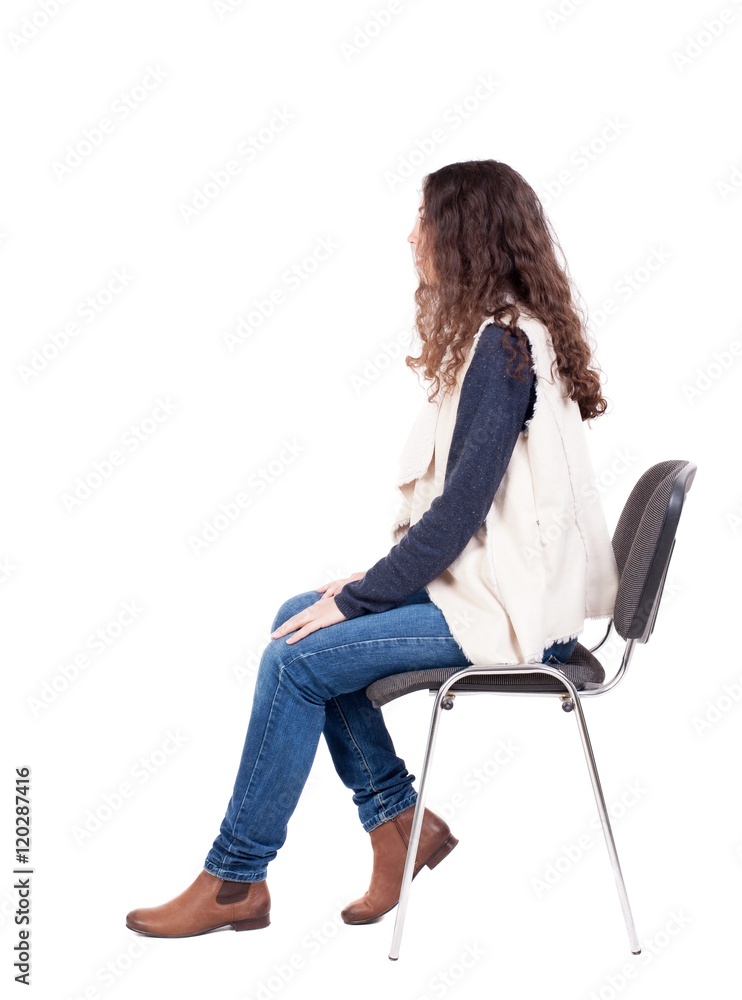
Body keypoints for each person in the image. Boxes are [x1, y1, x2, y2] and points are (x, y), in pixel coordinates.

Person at [125, 159, 619, 938]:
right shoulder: (513, 333)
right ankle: (401, 826)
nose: (412, 234)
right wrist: (365, 587)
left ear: (461, 235)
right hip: (510, 591)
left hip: (516, 617)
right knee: (299, 615)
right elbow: (475, 515)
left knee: (293, 660)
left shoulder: (502, 349)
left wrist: (361, 598)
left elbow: (457, 515)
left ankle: (235, 878)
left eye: (423, 219)